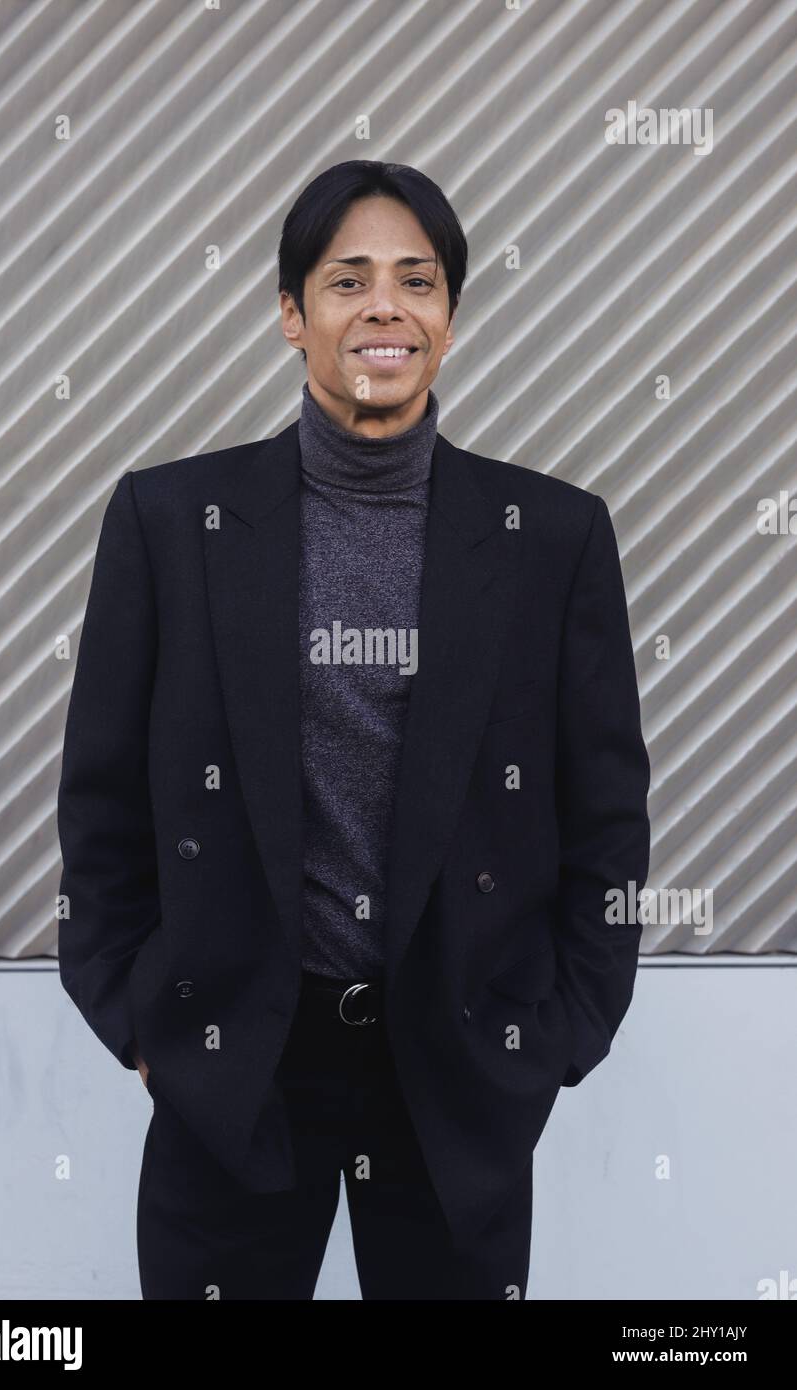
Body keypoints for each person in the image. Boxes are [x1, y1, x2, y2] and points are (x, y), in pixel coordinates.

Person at [57, 159, 651, 1300]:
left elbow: (604, 810)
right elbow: (102, 798)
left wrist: (560, 1032)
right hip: (239, 1058)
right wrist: (143, 1018)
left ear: (449, 317)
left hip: (455, 1067)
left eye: (416, 280)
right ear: (291, 315)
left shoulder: (551, 538)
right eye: (346, 281)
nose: (385, 306)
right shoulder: (173, 523)